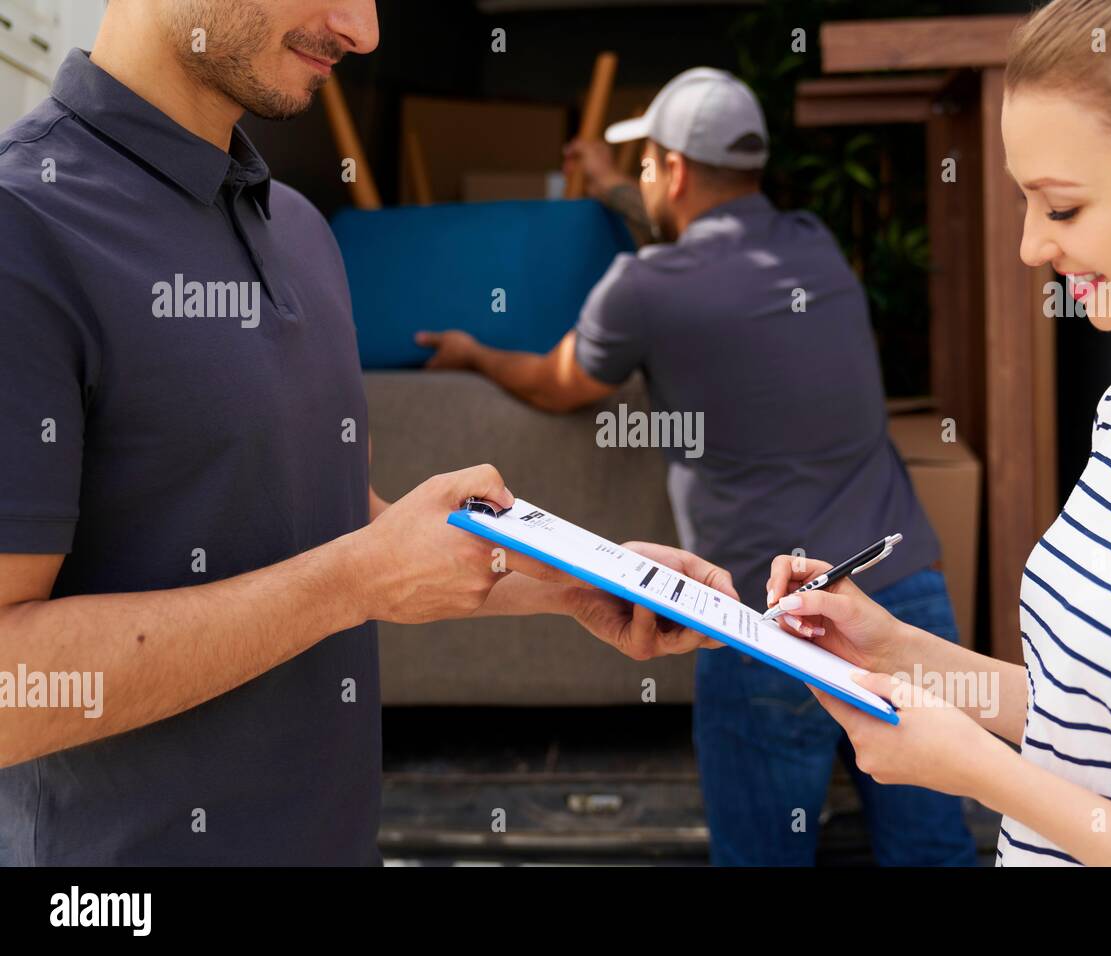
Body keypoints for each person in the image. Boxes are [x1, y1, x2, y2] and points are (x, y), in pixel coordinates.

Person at [0, 0, 733, 866]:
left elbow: (345, 532)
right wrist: (351, 583)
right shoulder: (24, 228)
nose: (364, 30)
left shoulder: (303, 233)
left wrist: (584, 578)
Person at [775, 0, 1111, 866]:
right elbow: (1097, 722)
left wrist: (984, 776)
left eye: (1061, 208)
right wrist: (898, 651)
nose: (1028, 248)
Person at [418, 68, 977, 866]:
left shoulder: (641, 288)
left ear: (673, 172)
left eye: (646, 165)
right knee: (931, 853)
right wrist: (621, 186)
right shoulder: (816, 245)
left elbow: (555, 382)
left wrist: (475, 352)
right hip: (903, 595)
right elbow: (704, 261)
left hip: (765, 620)